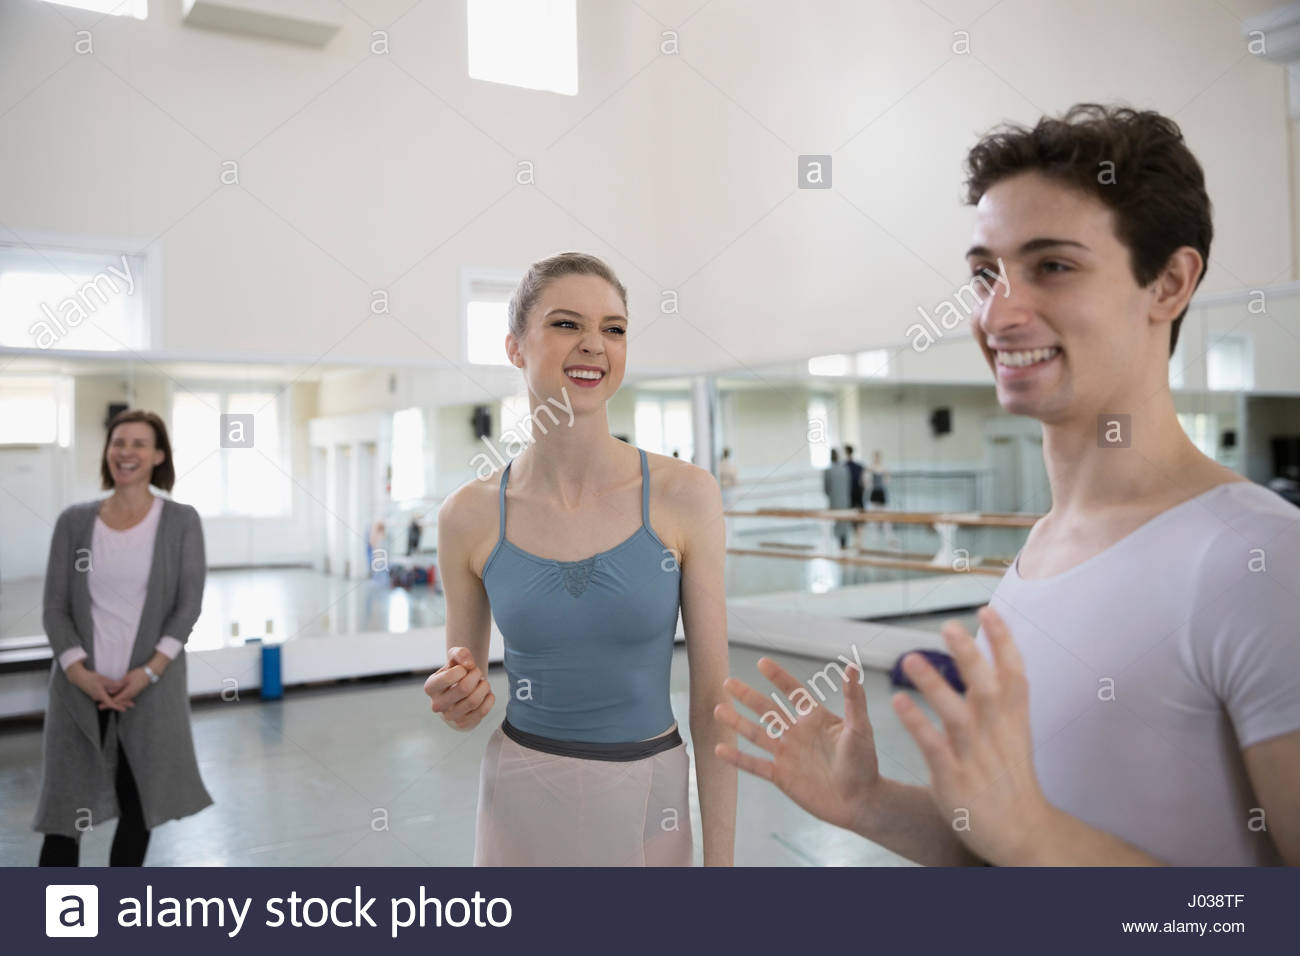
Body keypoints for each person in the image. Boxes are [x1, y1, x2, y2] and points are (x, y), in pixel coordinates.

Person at [714, 104, 1300, 866]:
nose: (999, 312)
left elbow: (1036, 845)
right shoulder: (1043, 549)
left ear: (1169, 283)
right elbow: (1009, 856)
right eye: (985, 274)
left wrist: (1034, 836)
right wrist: (870, 804)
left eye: (1053, 266)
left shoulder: (1260, 562)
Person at [424, 252, 736, 866]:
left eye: (613, 329)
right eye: (567, 324)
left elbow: (712, 707)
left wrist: (722, 871)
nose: (595, 344)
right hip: (518, 797)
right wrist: (456, 699)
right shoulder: (467, 515)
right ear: (515, 348)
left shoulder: (685, 495)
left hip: (647, 795)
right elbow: (465, 694)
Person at [35, 409, 211, 866]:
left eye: (138, 444)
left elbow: (187, 605)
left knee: (138, 808)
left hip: (149, 690)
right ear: (107, 451)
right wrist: (80, 673)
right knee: (64, 814)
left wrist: (148, 672)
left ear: (158, 456)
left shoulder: (181, 521)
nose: (126, 452)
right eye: (118, 442)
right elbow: (54, 605)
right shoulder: (75, 521)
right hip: (79, 690)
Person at [867, 449, 898, 548]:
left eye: (877, 457)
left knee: (886, 518)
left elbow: (887, 481)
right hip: (874, 494)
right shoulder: (870, 468)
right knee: (873, 518)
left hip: (882, 494)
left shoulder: (884, 468)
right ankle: (874, 537)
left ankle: (890, 537)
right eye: (875, 457)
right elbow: (867, 482)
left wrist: (886, 475)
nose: (876, 459)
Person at [822, 448, 852, 550]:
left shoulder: (828, 471)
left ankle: (837, 543)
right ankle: (843, 543)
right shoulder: (845, 469)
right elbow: (849, 486)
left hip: (834, 500)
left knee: (836, 521)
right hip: (845, 500)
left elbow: (826, 489)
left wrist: (831, 496)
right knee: (843, 521)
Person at [718, 447, 739, 547]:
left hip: (721, 490)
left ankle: (724, 539)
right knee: (730, 515)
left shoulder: (719, 465)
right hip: (729, 491)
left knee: (723, 515)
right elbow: (735, 481)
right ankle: (729, 539)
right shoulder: (731, 466)